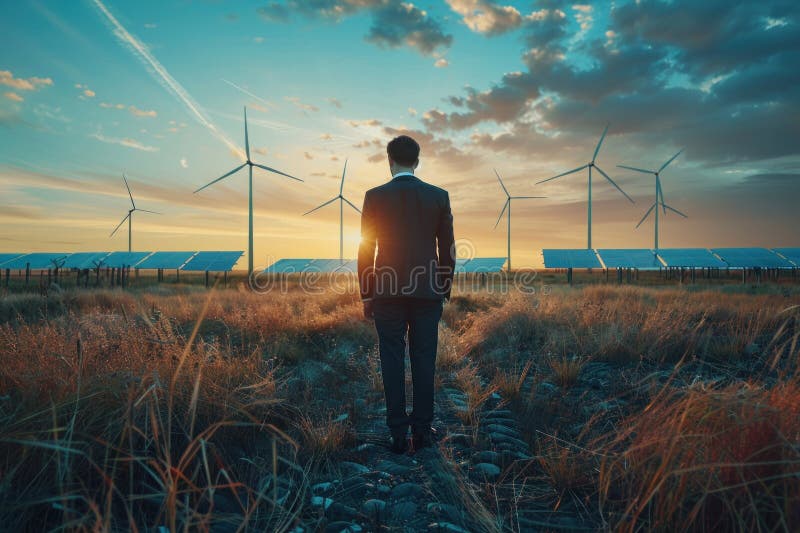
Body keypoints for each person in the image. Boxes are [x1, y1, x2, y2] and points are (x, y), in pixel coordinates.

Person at [357, 135, 456, 454]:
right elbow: (448, 248)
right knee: (424, 358)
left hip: (386, 291)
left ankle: (397, 434)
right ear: (417, 161)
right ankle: (423, 431)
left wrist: (367, 293)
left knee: (391, 358)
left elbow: (365, 248)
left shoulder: (374, 196)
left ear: (389, 160)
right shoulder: (438, 196)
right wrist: (444, 284)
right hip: (427, 290)